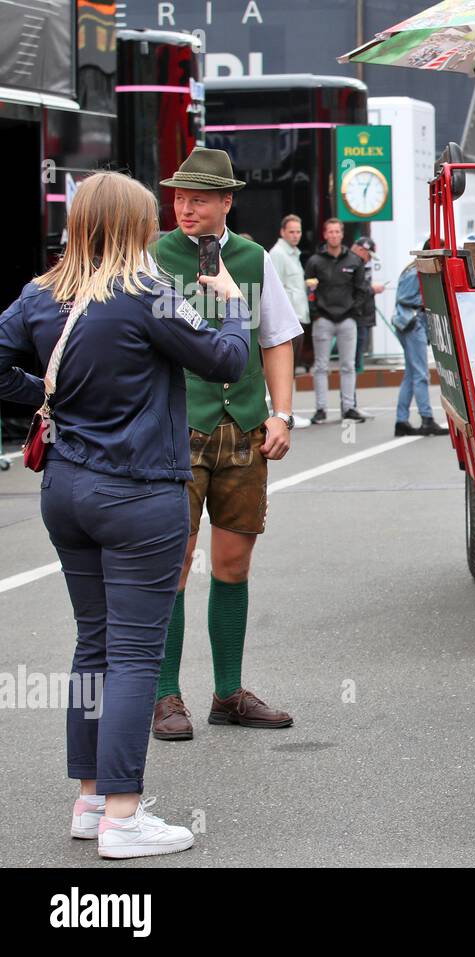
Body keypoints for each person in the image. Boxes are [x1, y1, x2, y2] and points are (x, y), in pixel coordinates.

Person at [0, 172, 250, 857]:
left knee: (94, 645)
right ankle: (122, 813)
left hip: (66, 489)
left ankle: (88, 800)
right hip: (139, 492)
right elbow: (225, 361)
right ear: (134, 228)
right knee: (136, 655)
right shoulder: (146, 295)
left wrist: (48, 396)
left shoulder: (41, 294)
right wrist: (230, 302)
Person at [150, 147, 302, 742]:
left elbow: (278, 338)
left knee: (233, 564)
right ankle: (165, 696)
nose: (185, 208)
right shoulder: (154, 259)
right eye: (180, 198)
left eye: (199, 199)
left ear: (226, 203)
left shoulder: (252, 257)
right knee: (175, 563)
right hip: (176, 432)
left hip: (243, 431)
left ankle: (228, 693)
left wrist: (282, 414)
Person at [304, 218, 369, 425]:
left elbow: (362, 290)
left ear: (342, 235)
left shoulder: (354, 260)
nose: (334, 235)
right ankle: (321, 409)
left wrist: (354, 310)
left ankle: (348, 408)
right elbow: (308, 290)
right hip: (323, 318)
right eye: (330, 232)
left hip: (347, 319)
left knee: (348, 365)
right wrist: (315, 312)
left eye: (337, 232)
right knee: (321, 366)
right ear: (325, 235)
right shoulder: (315, 261)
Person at [393, 247, 449, 437]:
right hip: (412, 324)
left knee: (411, 373)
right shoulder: (416, 270)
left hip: (410, 324)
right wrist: (429, 298)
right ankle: (426, 419)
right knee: (420, 373)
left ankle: (401, 420)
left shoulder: (415, 268)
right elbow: (404, 297)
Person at [268, 214, 311, 375]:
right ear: (282, 232)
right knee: (284, 370)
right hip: (287, 320)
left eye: (298, 232)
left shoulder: (293, 253)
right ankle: (279, 401)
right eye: (292, 232)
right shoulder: (278, 253)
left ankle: (285, 400)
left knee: (291, 369)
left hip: (298, 317)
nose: (295, 235)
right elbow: (274, 289)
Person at [350, 235, 384, 376]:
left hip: (364, 313)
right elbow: (357, 289)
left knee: (359, 348)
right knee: (354, 350)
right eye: (368, 254)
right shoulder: (351, 264)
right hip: (356, 314)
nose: (369, 259)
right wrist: (372, 289)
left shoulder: (363, 264)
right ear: (359, 249)